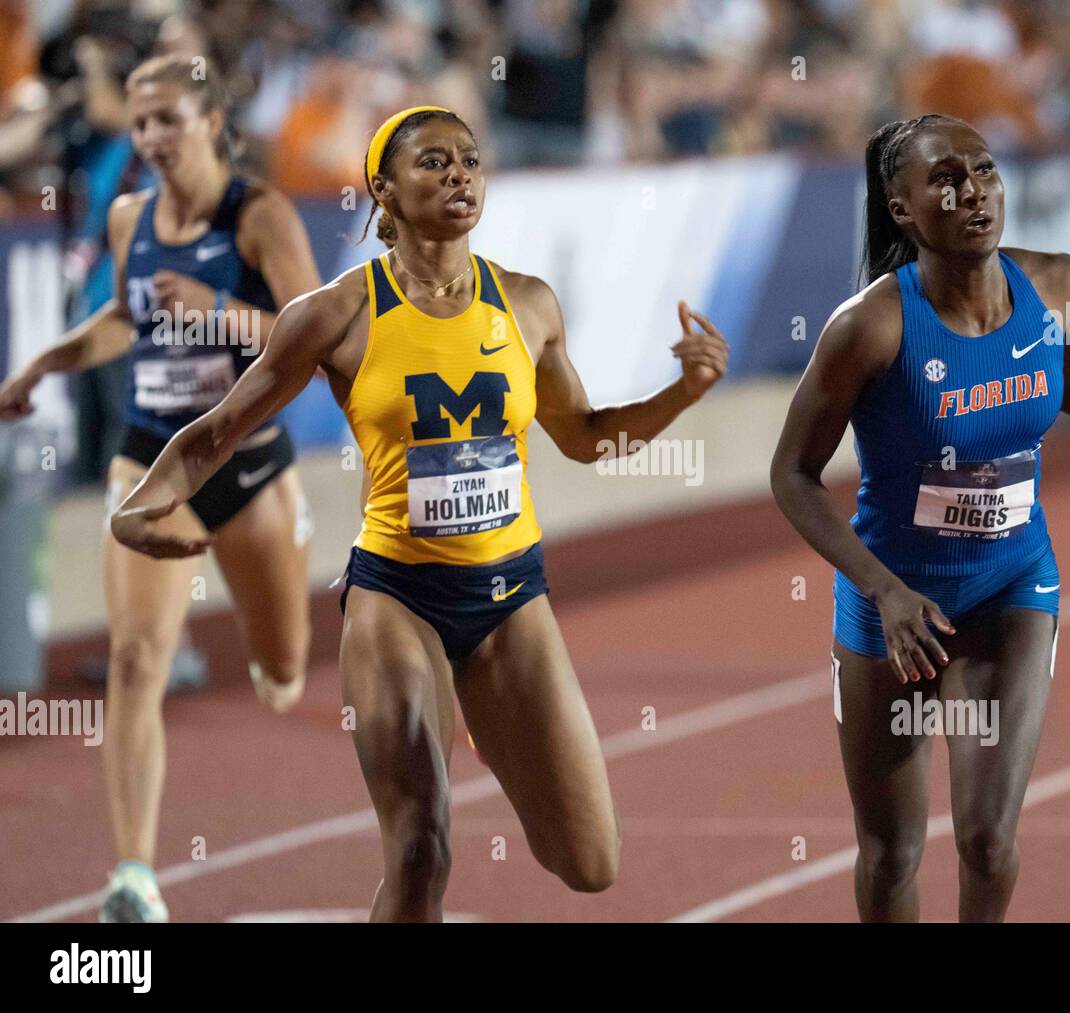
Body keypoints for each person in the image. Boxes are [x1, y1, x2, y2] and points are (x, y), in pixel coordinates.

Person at [109, 105, 730, 922]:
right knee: (421, 842)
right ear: (383, 190)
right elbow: (217, 431)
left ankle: (484, 707)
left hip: (512, 598)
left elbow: (584, 438)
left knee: (591, 861)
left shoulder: (528, 304)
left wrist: (680, 393)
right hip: (397, 597)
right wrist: (137, 509)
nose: (459, 175)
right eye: (433, 162)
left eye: (469, 159)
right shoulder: (337, 312)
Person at [770, 114, 1070, 923]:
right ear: (903, 209)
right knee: (892, 857)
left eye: (983, 169)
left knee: (987, 838)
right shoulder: (870, 328)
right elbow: (794, 475)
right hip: (897, 602)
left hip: (1013, 582)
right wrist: (883, 591)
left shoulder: (1055, 284)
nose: (973, 191)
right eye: (944, 179)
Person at [0, 54, 322, 922]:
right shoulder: (128, 216)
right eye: (141, 124)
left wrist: (219, 315)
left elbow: (317, 338)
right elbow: (123, 318)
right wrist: (48, 359)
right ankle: (135, 876)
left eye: (169, 120)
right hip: (149, 463)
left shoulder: (259, 217)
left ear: (212, 121)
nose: (152, 139)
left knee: (283, 670)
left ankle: (276, 639)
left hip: (245, 459)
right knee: (138, 661)